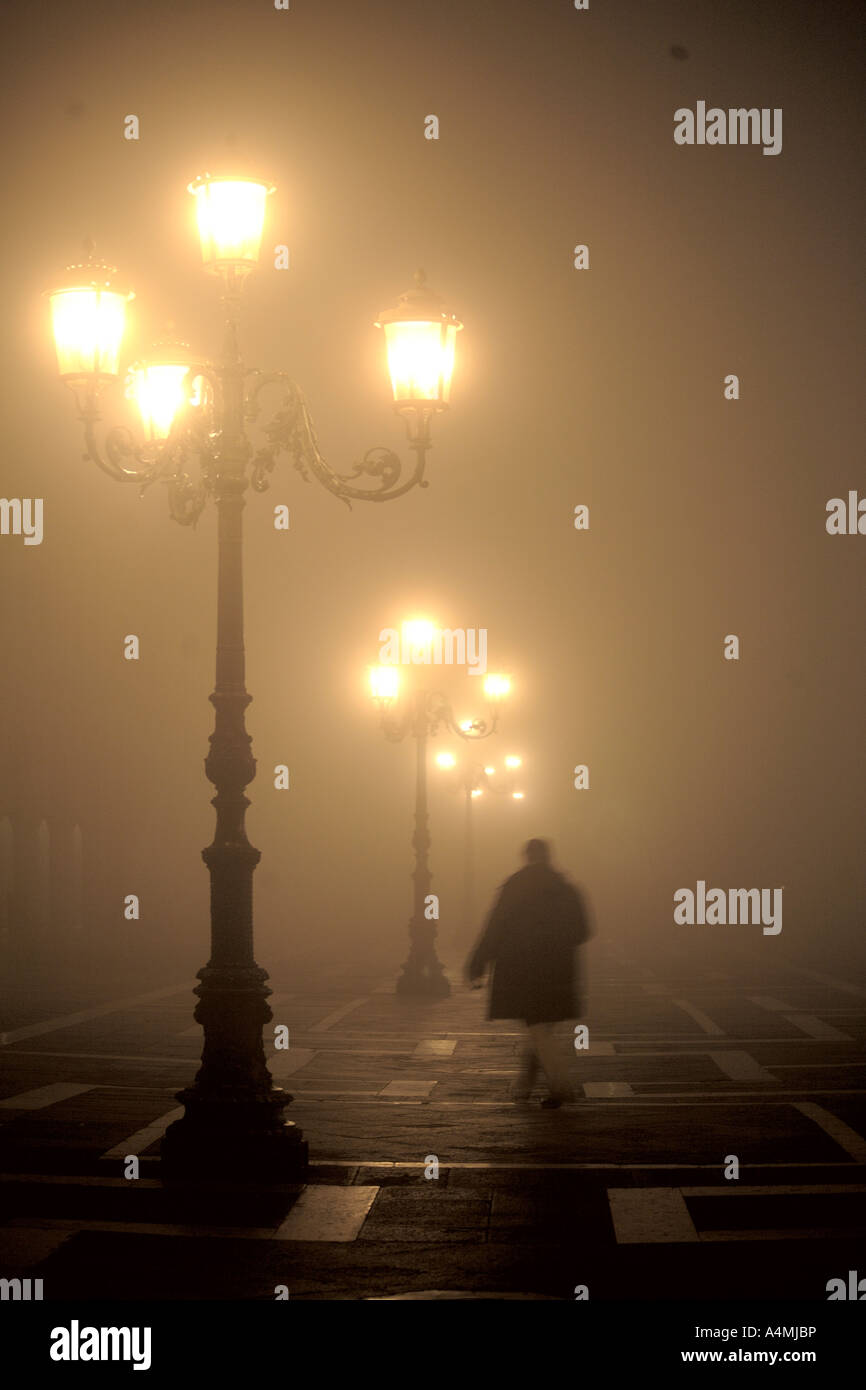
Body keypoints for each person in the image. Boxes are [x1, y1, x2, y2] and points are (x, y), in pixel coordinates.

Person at [465, 838, 593, 1108]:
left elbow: (495, 926)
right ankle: (524, 1084)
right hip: (559, 971)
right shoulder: (567, 889)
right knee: (541, 1029)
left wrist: (478, 962)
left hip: (524, 970)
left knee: (538, 1028)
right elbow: (583, 931)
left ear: (526, 857)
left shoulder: (515, 886)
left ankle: (561, 1087)